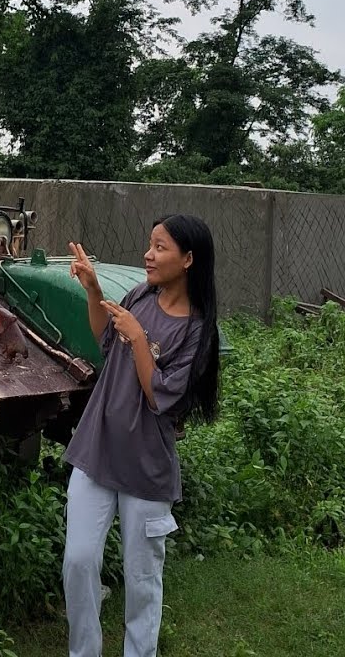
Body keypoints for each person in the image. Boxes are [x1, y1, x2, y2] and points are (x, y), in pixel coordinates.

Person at [61, 214, 221, 657]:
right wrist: (93, 290)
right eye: (150, 245)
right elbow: (104, 340)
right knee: (78, 561)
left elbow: (160, 397)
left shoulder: (197, 331)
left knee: (142, 579)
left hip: (146, 467)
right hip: (97, 449)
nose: (148, 255)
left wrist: (137, 338)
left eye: (160, 247)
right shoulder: (139, 296)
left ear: (188, 260)